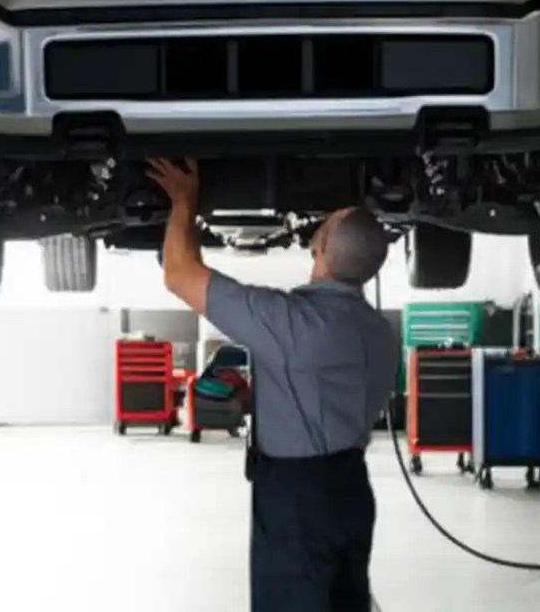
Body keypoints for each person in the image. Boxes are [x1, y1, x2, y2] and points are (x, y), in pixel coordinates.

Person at [147, 158, 399, 612]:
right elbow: (323, 392)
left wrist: (185, 201)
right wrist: (261, 397)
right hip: (351, 489)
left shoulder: (292, 323)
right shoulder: (379, 332)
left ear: (319, 247)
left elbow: (179, 274)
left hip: (299, 501)